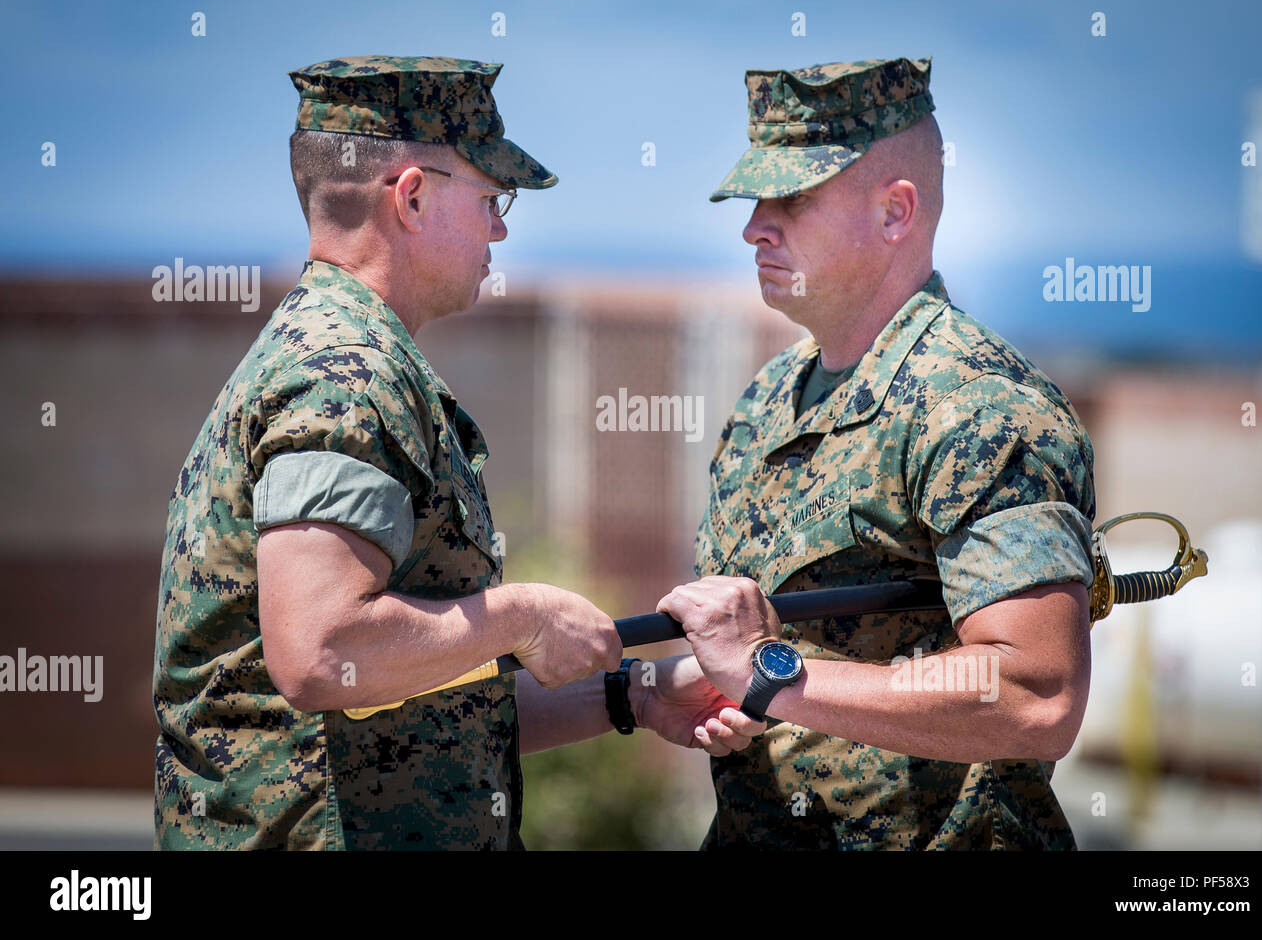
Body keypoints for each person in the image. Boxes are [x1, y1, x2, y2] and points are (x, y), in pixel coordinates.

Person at [153, 55, 762, 851]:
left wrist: (635, 696)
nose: (502, 228)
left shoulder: (346, 357)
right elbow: (321, 651)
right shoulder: (340, 373)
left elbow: (410, 694)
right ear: (411, 197)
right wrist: (523, 614)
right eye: (491, 198)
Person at [656, 57, 1097, 849]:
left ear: (896, 213)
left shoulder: (981, 406)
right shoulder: (770, 397)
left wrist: (772, 677)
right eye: (756, 199)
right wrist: (727, 691)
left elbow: (1037, 696)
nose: (755, 225)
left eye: (791, 199)